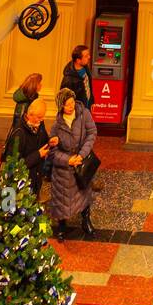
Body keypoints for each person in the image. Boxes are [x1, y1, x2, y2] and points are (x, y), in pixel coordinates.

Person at [50, 88, 98, 242]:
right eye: (67, 104)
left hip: (81, 162)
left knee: (84, 193)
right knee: (61, 198)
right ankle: (61, 226)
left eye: (71, 102)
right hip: (64, 168)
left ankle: (86, 219)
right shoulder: (57, 125)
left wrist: (81, 155)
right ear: (61, 106)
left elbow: (92, 133)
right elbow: (53, 151)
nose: (70, 106)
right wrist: (68, 160)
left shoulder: (84, 114)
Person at [4, 96, 56, 197]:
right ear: (29, 115)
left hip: (35, 179)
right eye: (39, 117)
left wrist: (50, 142)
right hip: (22, 186)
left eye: (43, 116)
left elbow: (43, 140)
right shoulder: (19, 134)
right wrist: (38, 154)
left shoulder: (38, 124)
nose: (41, 120)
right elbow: (14, 165)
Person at [61, 45, 94, 110]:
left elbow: (89, 87)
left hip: (86, 109)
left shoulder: (86, 69)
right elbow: (64, 99)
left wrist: (91, 102)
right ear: (78, 60)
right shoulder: (68, 80)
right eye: (86, 56)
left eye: (88, 55)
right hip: (77, 111)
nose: (89, 57)